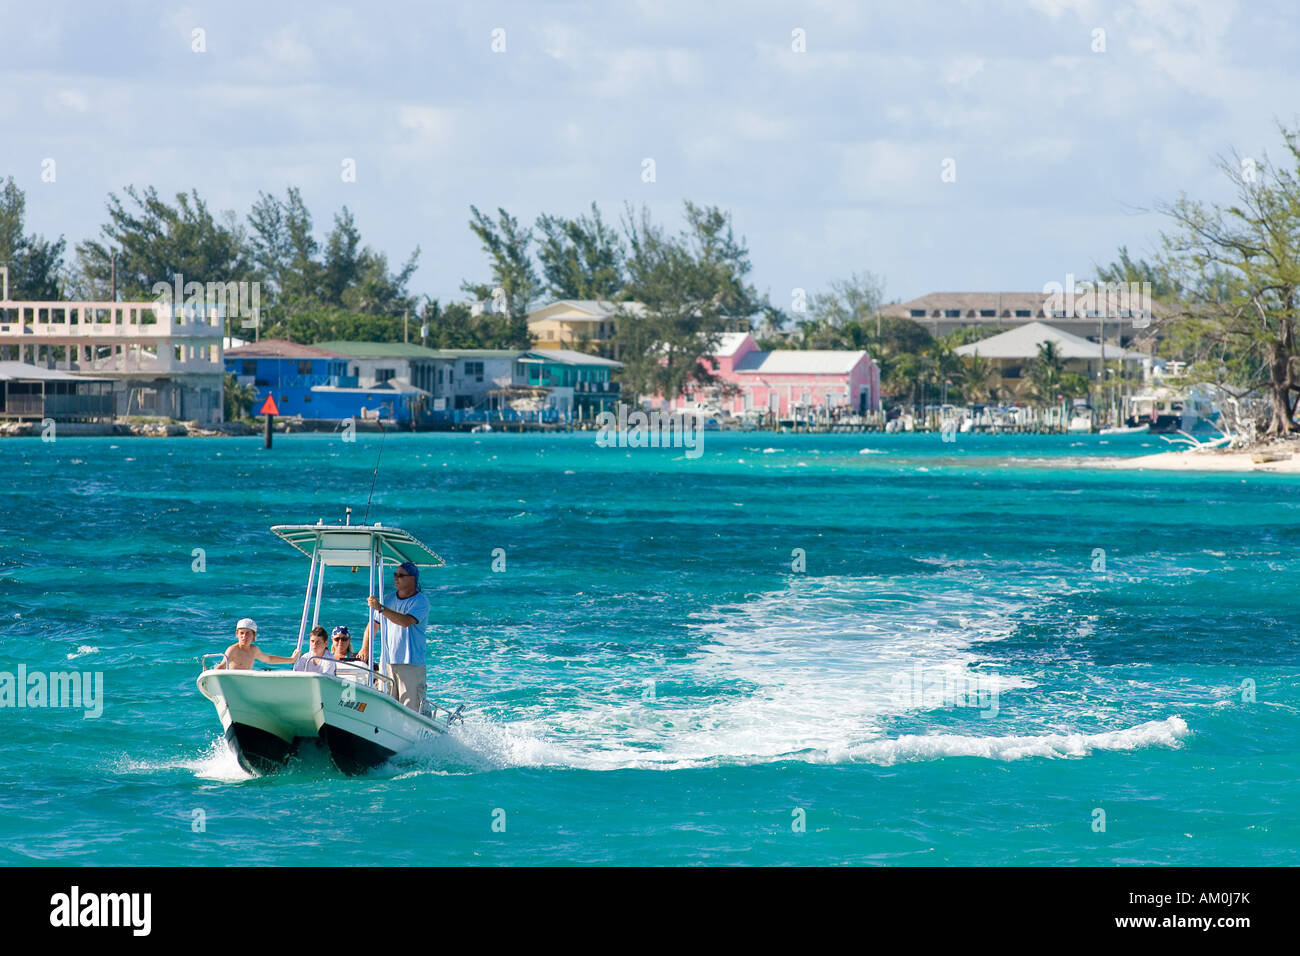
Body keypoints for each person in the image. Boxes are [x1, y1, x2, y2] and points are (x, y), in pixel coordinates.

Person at [358, 561, 429, 714]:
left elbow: (405, 621)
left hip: (411, 663)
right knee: (386, 706)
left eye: (401, 575)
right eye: (395, 575)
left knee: (411, 710)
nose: (396, 578)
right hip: (388, 662)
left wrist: (381, 608)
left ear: (412, 579)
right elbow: (373, 625)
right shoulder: (387, 599)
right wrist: (365, 648)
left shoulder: (420, 601)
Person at [216, 618, 300, 670]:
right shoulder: (233, 650)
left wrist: (291, 659)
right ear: (237, 634)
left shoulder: (253, 649)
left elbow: (269, 659)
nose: (244, 636)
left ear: (254, 635)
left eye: (248, 633)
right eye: (241, 633)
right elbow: (222, 666)